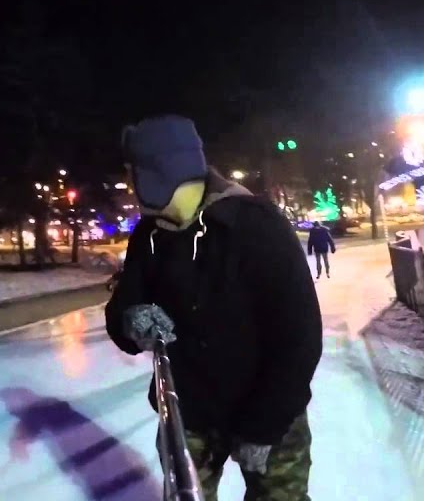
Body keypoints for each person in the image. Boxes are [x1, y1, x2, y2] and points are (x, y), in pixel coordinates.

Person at [105, 116, 322, 501]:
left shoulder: (256, 226)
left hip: (268, 408)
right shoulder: (148, 235)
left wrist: (265, 425)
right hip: (190, 415)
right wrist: (130, 320)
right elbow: (124, 305)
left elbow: (299, 337)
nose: (130, 184)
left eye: (132, 173)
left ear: (159, 172)